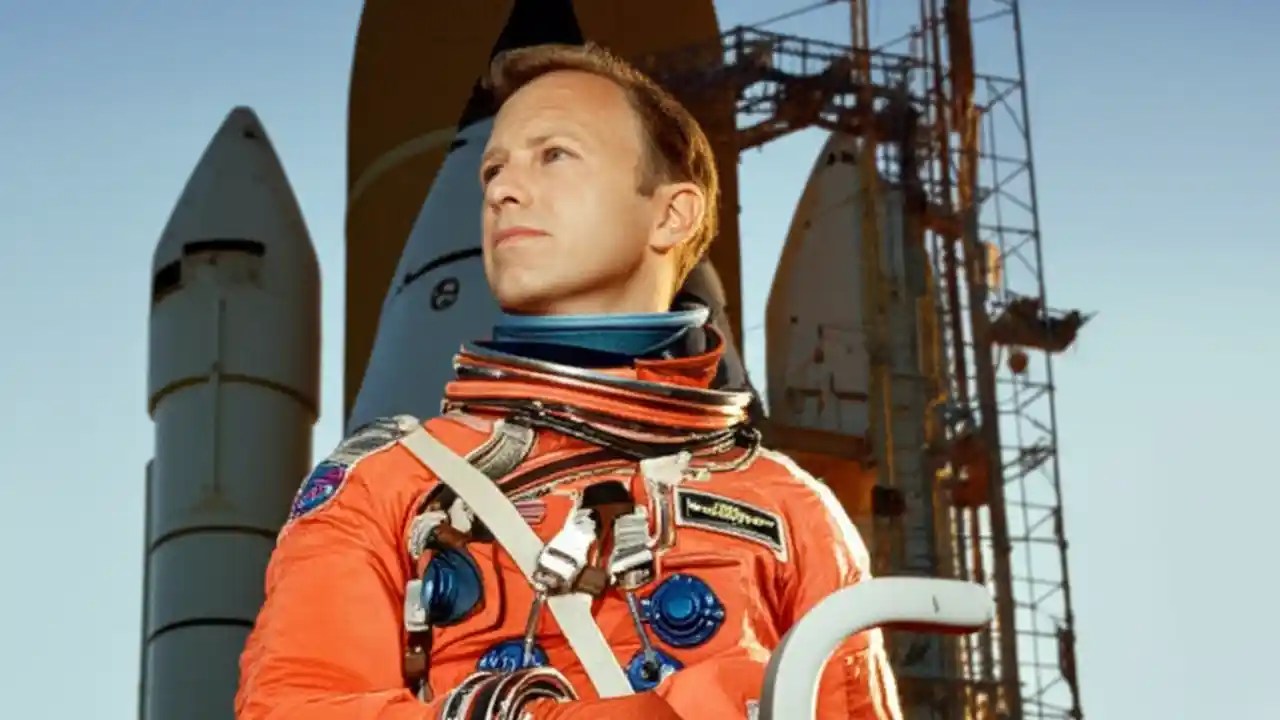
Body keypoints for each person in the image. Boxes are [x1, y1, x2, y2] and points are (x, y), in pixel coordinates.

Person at [235, 42, 902, 720]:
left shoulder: (793, 510)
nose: (501, 188)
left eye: (554, 155)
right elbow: (297, 706)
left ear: (672, 215)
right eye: (493, 168)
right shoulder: (387, 485)